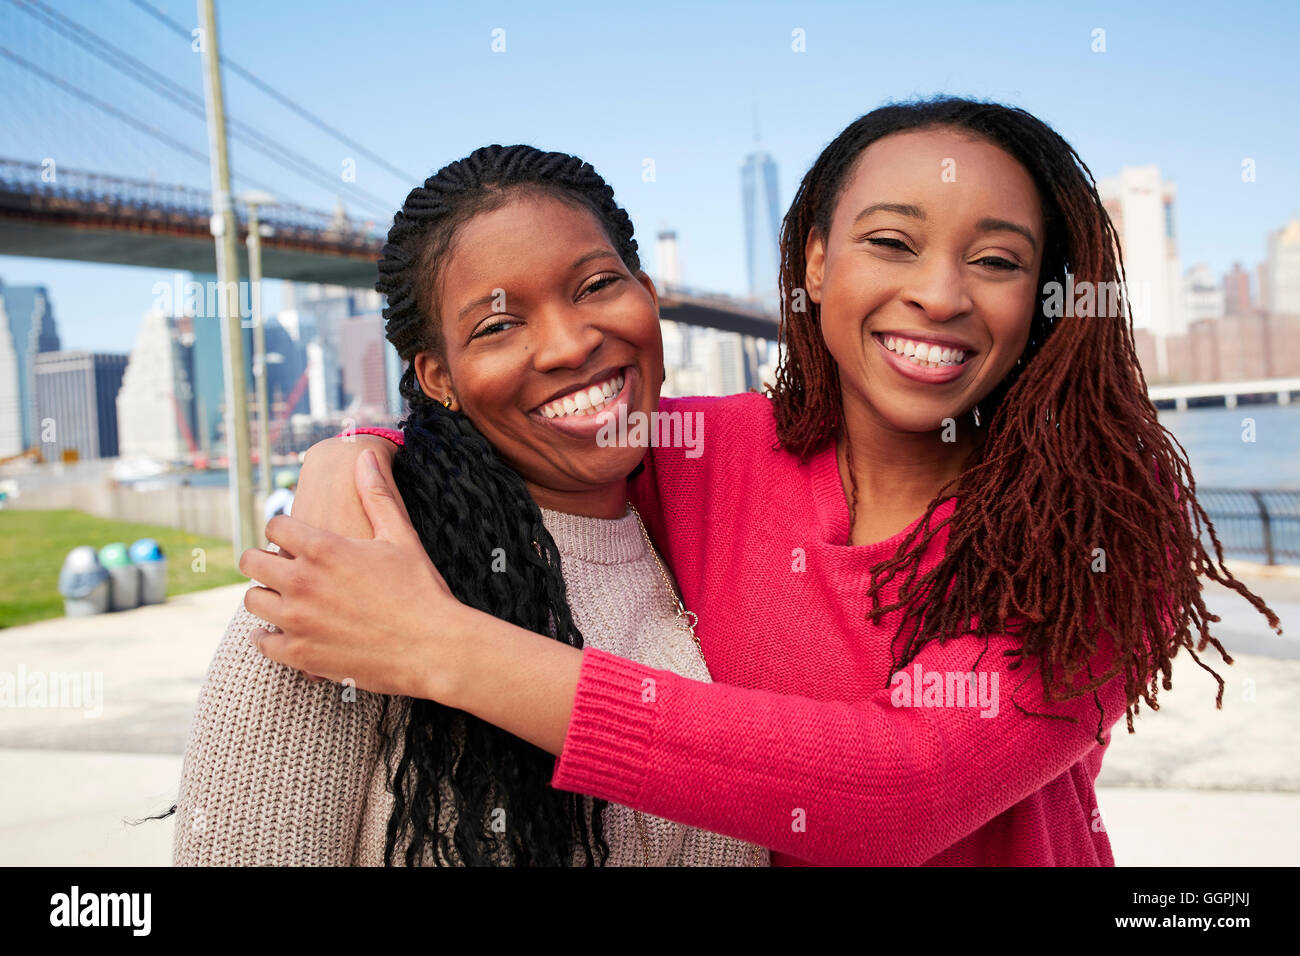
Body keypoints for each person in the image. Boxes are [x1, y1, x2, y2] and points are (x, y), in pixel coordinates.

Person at [243, 97, 1280, 866]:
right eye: (890, 243)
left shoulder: (1098, 523)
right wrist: (356, 455)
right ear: (817, 261)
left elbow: (903, 789)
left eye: (997, 260)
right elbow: (534, 409)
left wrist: (443, 646)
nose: (937, 293)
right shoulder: (704, 451)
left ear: (1042, 297)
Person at [170, 145, 768, 867]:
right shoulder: (346, 577)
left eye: (596, 285)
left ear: (645, 293)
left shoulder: (696, 530)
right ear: (437, 378)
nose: (569, 344)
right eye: (496, 326)